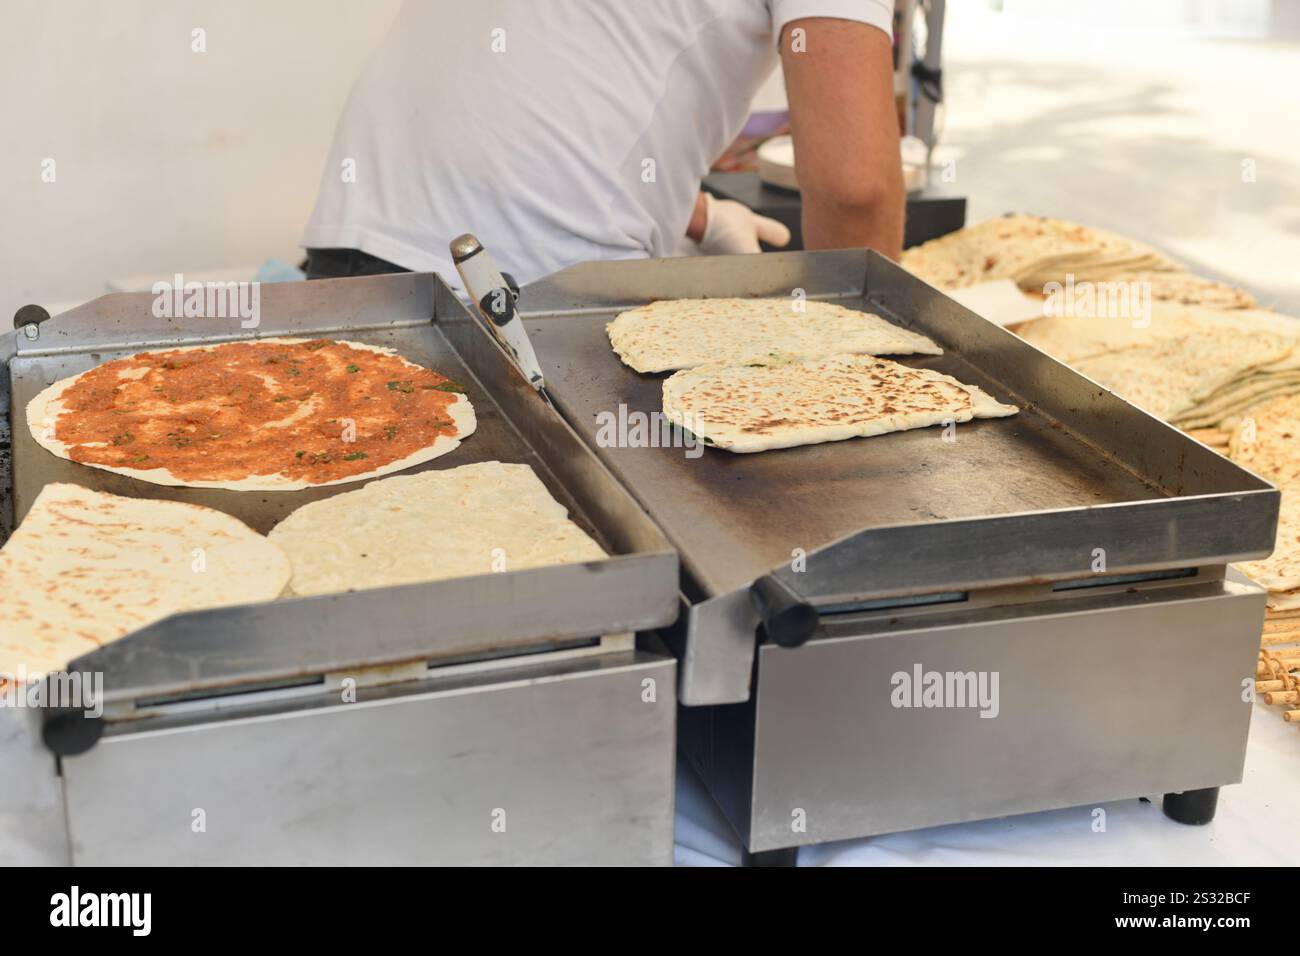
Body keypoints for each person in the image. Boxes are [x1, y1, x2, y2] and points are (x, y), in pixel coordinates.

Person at [302, 1, 903, 286]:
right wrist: (872, 364)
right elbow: (856, 191)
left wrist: (697, 214)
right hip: (520, 299)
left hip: (356, 251)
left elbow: (546, 66)